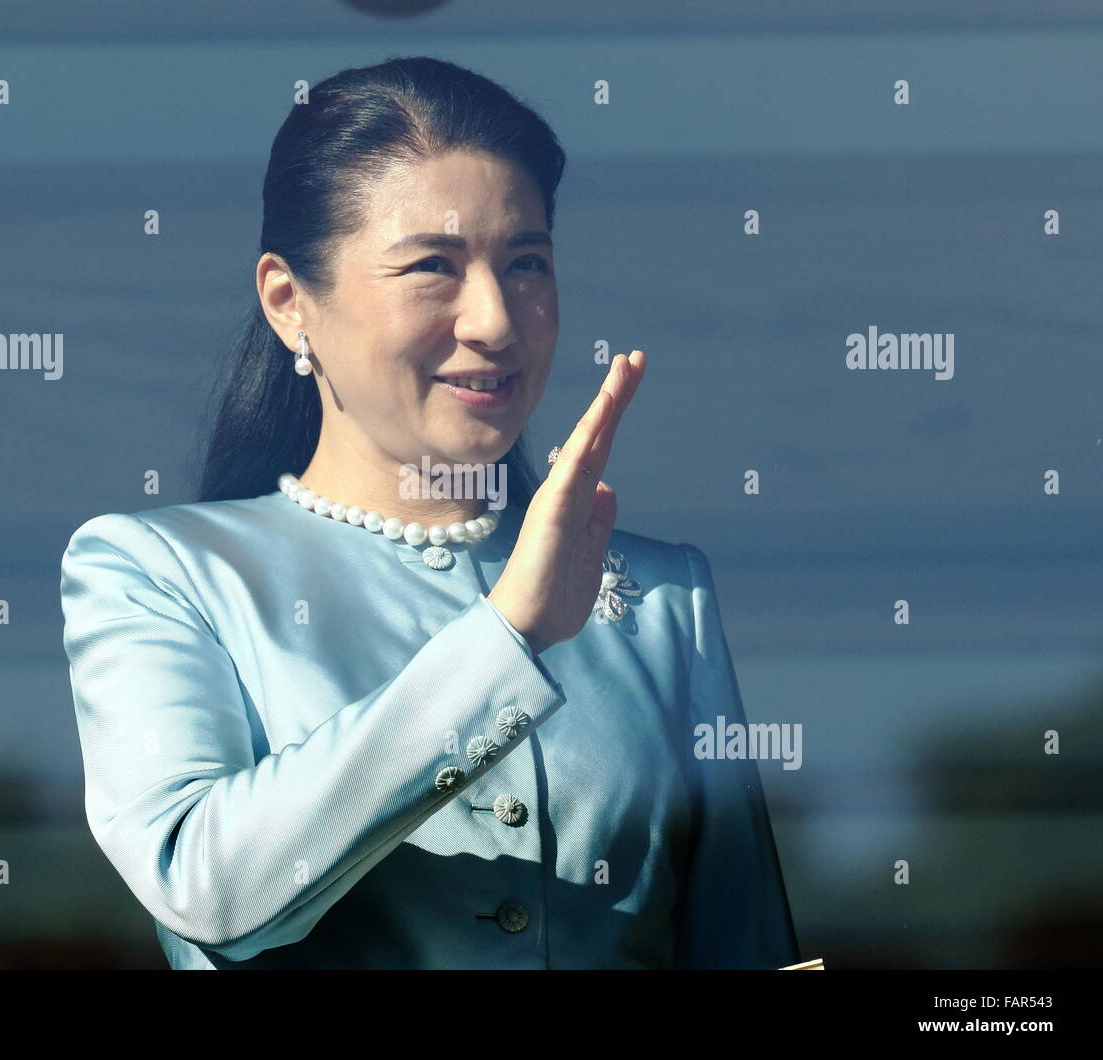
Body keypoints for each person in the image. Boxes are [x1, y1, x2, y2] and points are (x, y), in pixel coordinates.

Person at [59, 55, 800, 970]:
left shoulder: (659, 594)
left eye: (526, 262)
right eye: (432, 267)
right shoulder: (162, 572)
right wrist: (506, 637)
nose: (494, 317)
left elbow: (748, 948)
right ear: (291, 303)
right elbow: (207, 885)